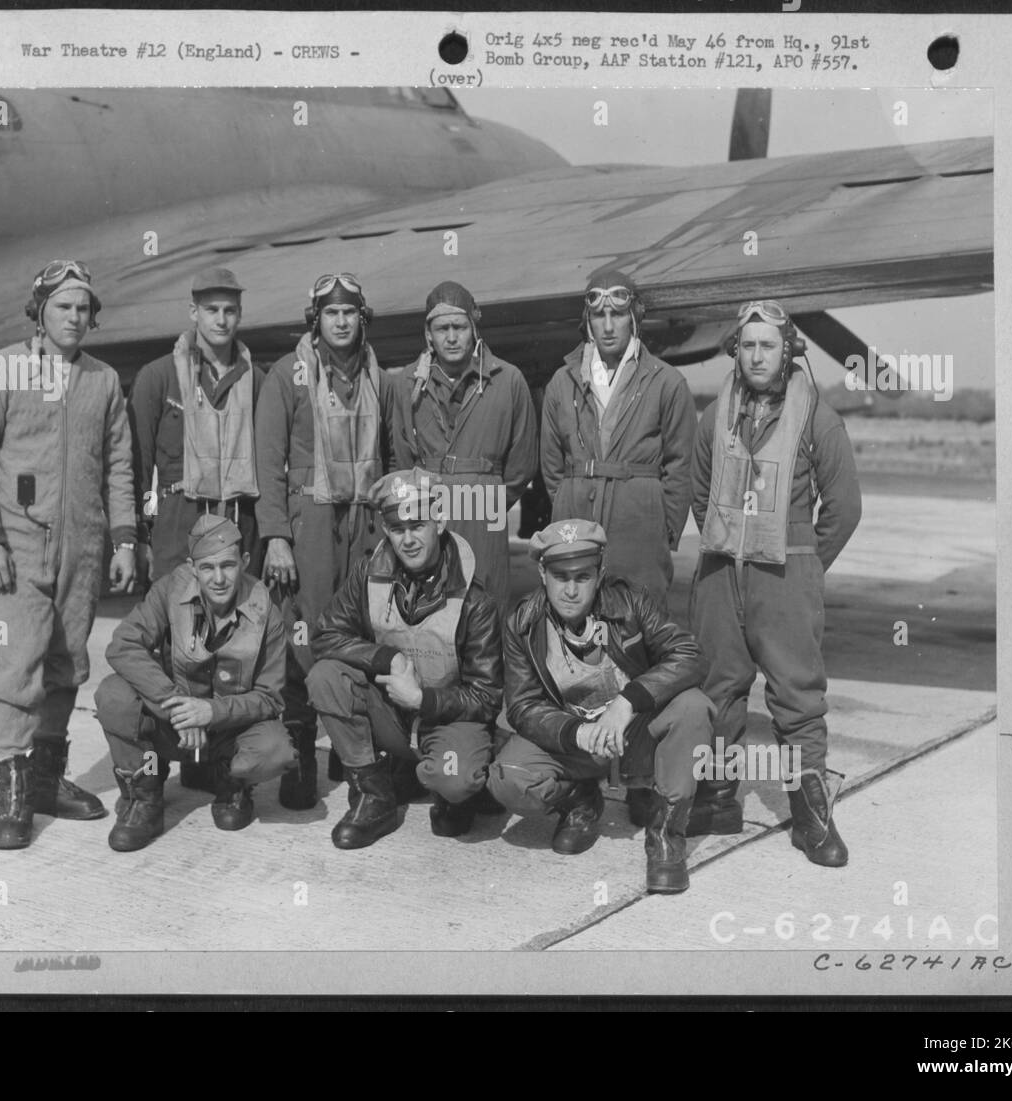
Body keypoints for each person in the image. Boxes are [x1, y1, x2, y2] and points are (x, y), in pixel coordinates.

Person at [0, 259, 136, 850]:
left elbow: (119, 467)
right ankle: (11, 793)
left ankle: (47, 782)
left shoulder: (103, 381)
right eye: (63, 306)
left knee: (66, 661)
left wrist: (125, 539)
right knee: (17, 666)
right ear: (40, 311)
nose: (75, 317)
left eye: (83, 308)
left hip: (83, 547)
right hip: (19, 547)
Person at [689, 299, 862, 866]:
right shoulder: (713, 415)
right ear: (734, 351)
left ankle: (810, 819)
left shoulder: (819, 418)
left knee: (797, 698)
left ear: (787, 351)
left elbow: (844, 507)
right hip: (720, 571)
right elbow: (698, 488)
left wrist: (806, 563)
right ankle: (718, 799)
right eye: (748, 345)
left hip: (785, 571)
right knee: (719, 689)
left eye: (768, 345)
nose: (757, 355)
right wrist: (724, 540)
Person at [488, 520, 713, 893]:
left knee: (694, 706)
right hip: (578, 741)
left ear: (601, 572)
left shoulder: (631, 601)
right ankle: (581, 800)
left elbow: (690, 656)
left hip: (634, 734)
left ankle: (665, 835)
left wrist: (628, 701)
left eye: (583, 576)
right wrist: (578, 732)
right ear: (542, 573)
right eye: (561, 576)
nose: (572, 590)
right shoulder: (523, 623)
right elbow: (523, 707)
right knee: (507, 777)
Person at [254, 273, 397, 811]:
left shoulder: (379, 377)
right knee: (303, 636)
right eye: (331, 313)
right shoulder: (286, 378)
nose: (341, 322)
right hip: (309, 518)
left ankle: (351, 744)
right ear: (316, 320)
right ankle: (300, 758)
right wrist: (276, 537)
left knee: (361, 628)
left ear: (363, 318)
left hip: (363, 517)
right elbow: (267, 464)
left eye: (350, 312)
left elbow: (390, 452)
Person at [307, 470, 502, 849]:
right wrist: (387, 658)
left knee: (455, 781)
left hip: (447, 719)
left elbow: (487, 697)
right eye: (397, 529)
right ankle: (373, 795)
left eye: (418, 525)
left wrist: (422, 700)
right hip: (392, 715)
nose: (408, 539)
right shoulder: (367, 573)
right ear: (385, 529)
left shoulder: (477, 599)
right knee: (325, 677)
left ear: (440, 520)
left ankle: (446, 788)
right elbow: (325, 635)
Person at [93, 515, 294, 850]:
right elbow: (124, 644)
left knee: (275, 749)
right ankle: (145, 796)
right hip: (177, 726)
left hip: (229, 729)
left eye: (228, 566)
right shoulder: (170, 588)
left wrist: (210, 712)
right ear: (192, 567)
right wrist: (176, 706)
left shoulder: (265, 609)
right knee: (114, 695)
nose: (218, 579)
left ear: (244, 562)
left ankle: (232, 782)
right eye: (207, 568)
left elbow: (271, 698)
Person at [539, 272, 695, 609]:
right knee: (575, 626)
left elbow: (681, 467)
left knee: (640, 629)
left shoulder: (667, 383)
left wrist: (660, 526)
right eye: (599, 315)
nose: (608, 326)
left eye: (618, 315)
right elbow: (552, 467)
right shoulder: (561, 384)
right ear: (588, 321)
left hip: (639, 529)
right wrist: (568, 501)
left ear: (634, 318)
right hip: (575, 524)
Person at [391, 281, 537, 611]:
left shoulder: (507, 380)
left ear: (474, 328)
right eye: (442, 328)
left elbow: (523, 460)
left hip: (485, 510)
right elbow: (402, 455)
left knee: (486, 605)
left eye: (459, 327)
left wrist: (488, 495)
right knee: (431, 609)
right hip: (429, 511)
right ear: (429, 334)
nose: (452, 337)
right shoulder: (407, 383)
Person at [127, 266, 264, 584]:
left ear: (240, 314)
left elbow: (270, 463)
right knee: (176, 624)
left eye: (230, 311)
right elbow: (140, 468)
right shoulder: (158, 377)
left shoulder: (257, 380)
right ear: (193, 312)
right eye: (211, 310)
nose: (221, 320)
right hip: (177, 527)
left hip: (238, 526)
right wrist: (143, 532)